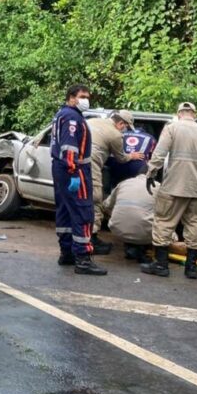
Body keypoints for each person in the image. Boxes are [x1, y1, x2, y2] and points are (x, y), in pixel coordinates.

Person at [140, 102, 197, 280]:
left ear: (178, 114)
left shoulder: (172, 128)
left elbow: (159, 153)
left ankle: (161, 265)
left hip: (173, 187)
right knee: (194, 226)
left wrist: (150, 173)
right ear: (195, 114)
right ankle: (191, 268)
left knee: (163, 223)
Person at [51, 84, 105, 275]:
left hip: (60, 168)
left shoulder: (62, 114)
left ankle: (67, 253)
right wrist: (74, 172)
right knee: (83, 212)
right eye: (82, 96)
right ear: (71, 97)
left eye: (87, 96)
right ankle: (83, 259)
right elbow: (69, 148)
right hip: (74, 169)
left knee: (65, 211)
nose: (86, 100)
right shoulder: (73, 118)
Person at [87, 110, 146, 251]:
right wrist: (132, 156)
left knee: (79, 198)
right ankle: (92, 239)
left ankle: (78, 234)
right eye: (125, 127)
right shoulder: (115, 135)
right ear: (120, 123)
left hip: (72, 162)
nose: (125, 131)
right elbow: (121, 158)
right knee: (95, 199)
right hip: (90, 164)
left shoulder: (91, 121)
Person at [105, 174, 154, 262]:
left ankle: (131, 246)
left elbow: (106, 205)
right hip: (145, 234)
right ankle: (142, 249)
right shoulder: (157, 186)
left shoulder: (124, 183)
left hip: (117, 231)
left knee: (128, 215)